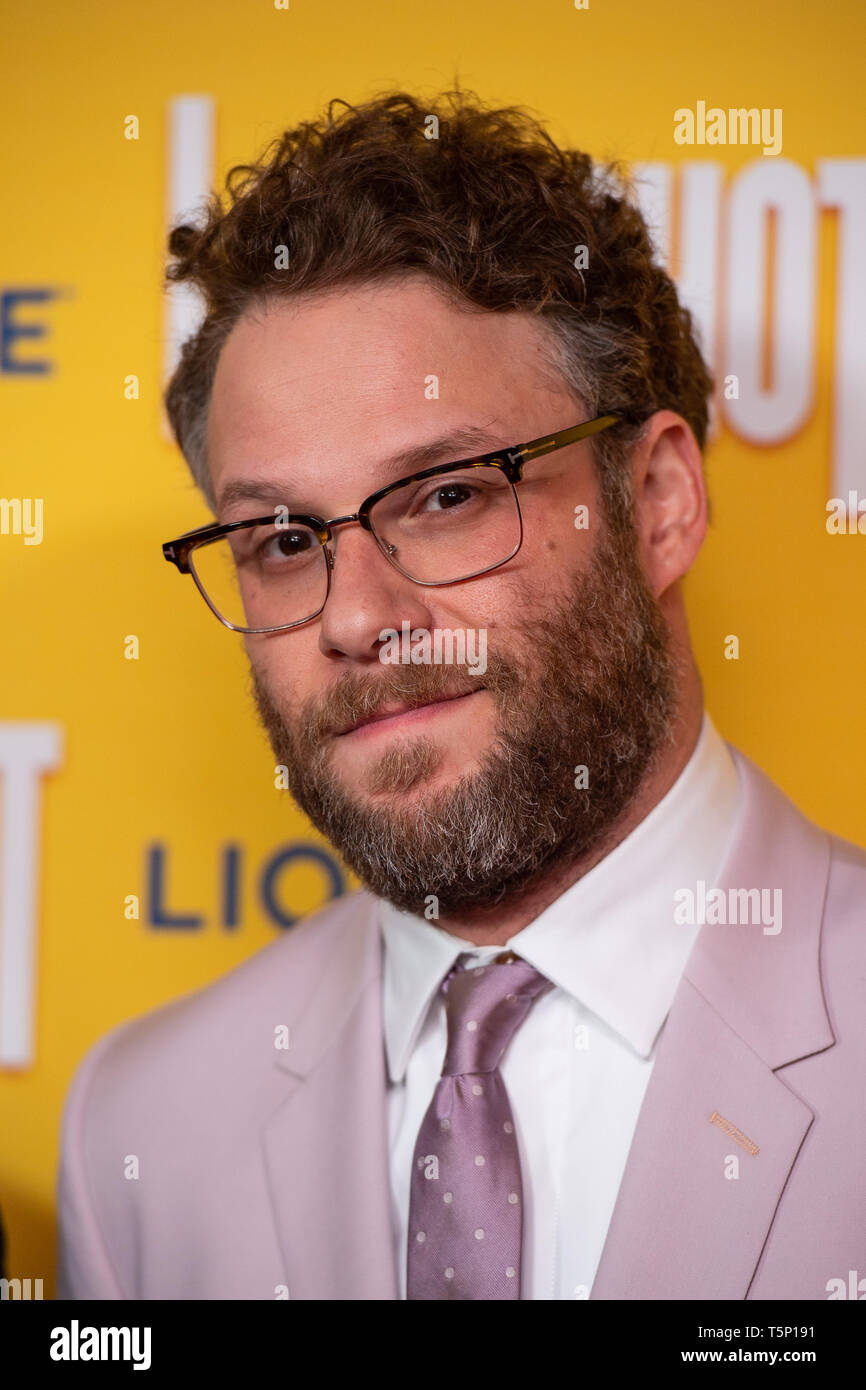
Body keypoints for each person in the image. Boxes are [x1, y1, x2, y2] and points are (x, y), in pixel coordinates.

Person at [57, 89, 866, 1301]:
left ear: (654, 503)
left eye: (445, 496)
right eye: (280, 538)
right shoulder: (137, 1130)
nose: (352, 616)